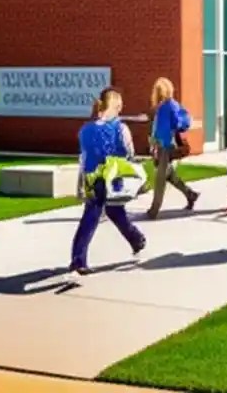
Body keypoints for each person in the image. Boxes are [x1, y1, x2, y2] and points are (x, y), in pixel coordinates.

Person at [70, 88, 146, 276]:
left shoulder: (85, 130)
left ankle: (78, 259)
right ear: (116, 106)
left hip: (93, 179)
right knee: (113, 211)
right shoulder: (121, 128)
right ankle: (136, 239)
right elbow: (130, 153)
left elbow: (84, 156)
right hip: (114, 179)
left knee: (93, 217)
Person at [145, 77, 200, 219]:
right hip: (160, 145)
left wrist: (162, 140)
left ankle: (154, 210)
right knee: (170, 176)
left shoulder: (170, 105)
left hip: (166, 146)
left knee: (160, 179)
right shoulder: (162, 106)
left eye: (157, 90)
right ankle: (190, 194)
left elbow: (176, 124)